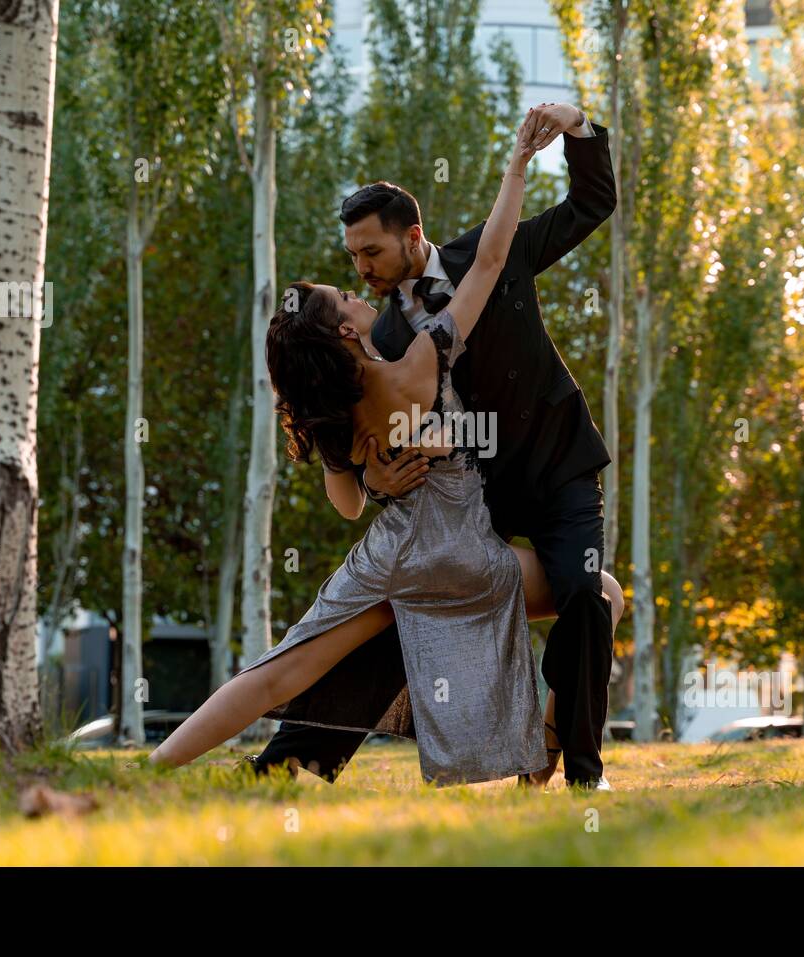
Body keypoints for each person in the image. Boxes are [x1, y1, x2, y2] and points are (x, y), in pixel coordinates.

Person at [149, 113, 618, 785]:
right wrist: (381, 480)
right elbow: (368, 449)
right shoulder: (398, 350)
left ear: (412, 237)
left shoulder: (366, 371)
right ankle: (298, 759)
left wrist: (578, 125)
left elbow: (583, 208)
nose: (359, 272)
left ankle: (160, 765)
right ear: (344, 329)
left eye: (367, 255)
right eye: (349, 270)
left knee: (585, 595)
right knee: (583, 594)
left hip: (497, 497)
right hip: (460, 531)